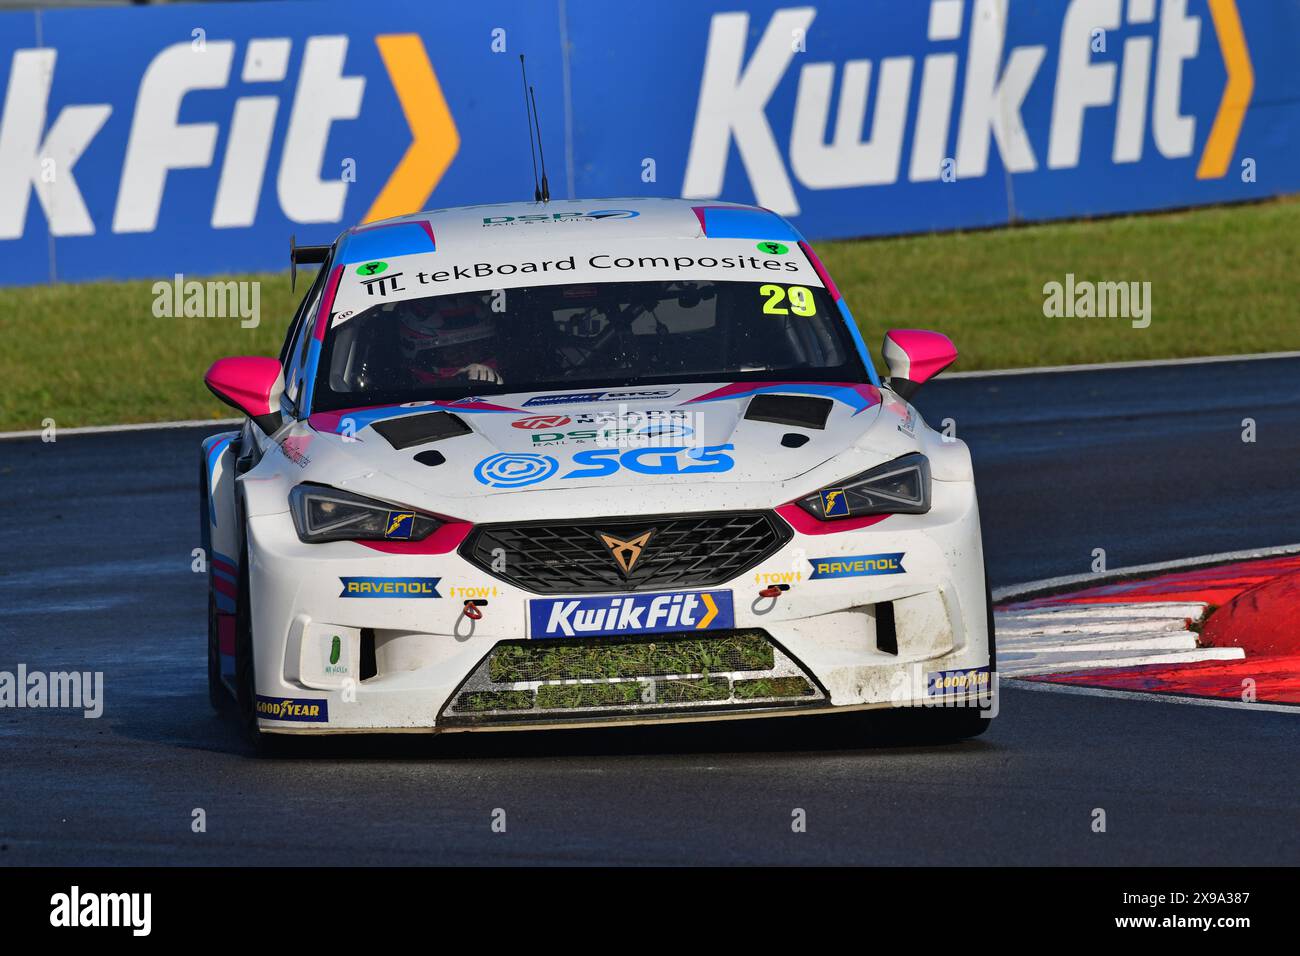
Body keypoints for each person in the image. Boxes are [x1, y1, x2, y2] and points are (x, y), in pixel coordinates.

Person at [397, 294, 503, 384]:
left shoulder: (515, 382)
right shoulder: (397, 398)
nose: (469, 365)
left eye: (475, 348)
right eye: (453, 351)